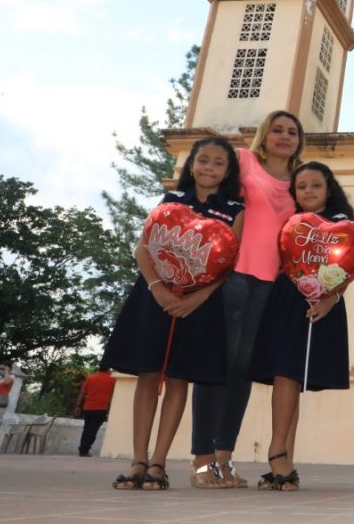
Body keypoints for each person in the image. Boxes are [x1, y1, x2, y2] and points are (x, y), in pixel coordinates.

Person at [102, 136, 244, 490]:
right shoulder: (171, 200)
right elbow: (143, 249)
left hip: (199, 304)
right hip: (154, 296)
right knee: (148, 375)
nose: (209, 168)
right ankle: (138, 460)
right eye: (203, 160)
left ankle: (158, 463)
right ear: (191, 164)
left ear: (228, 171)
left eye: (218, 163)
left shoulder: (234, 210)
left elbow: (227, 265)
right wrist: (159, 289)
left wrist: (196, 299)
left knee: (179, 378)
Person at [191, 110, 303, 489]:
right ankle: (202, 461)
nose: (284, 136)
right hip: (232, 275)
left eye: (292, 132)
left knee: (242, 371)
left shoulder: (300, 181)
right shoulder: (243, 160)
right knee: (215, 364)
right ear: (265, 134)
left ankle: (224, 458)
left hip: (272, 286)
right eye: (277, 129)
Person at [249, 162, 354, 491]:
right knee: (284, 373)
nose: (308, 191)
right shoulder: (290, 222)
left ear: (329, 188)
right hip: (286, 299)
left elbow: (349, 267)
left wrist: (329, 299)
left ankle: (283, 458)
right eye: (301, 186)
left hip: (322, 304)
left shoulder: (343, 224)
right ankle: (279, 453)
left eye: (315, 185)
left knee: (294, 379)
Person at [75, 366, 116, 457]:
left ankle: (82, 449)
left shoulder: (90, 378)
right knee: (93, 430)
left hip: (87, 408)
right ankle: (84, 450)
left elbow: (82, 392)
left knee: (86, 429)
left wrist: (78, 406)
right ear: (108, 369)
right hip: (101, 409)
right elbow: (114, 395)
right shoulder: (112, 380)